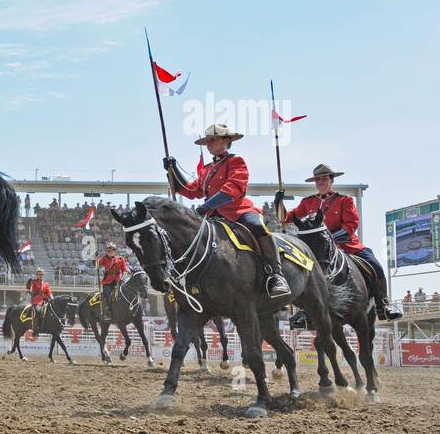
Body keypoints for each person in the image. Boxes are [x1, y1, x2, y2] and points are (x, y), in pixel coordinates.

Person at [165, 123, 291, 298]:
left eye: (213, 140)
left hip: (238, 211)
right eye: (207, 141)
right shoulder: (206, 170)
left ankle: (276, 275)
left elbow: (234, 187)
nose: (208, 144)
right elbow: (192, 191)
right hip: (212, 217)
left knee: (258, 227)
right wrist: (173, 169)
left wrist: (207, 205)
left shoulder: (235, 161)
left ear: (226, 140)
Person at [280, 163, 402, 320]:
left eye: (324, 178)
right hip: (317, 250)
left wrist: (331, 240)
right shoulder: (308, 202)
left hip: (346, 244)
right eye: (317, 179)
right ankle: (305, 311)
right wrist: (279, 202)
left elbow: (351, 225)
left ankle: (383, 305)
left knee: (375, 265)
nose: (320, 182)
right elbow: (286, 218)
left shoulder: (345, 200)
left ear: (331, 180)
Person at [95, 243, 128, 321]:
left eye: (112, 250)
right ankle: (107, 310)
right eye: (109, 251)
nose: (111, 252)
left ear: (115, 251)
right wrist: (96, 258)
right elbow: (97, 266)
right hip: (108, 281)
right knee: (108, 295)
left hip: (118, 280)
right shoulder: (104, 259)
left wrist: (123, 279)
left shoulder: (120, 259)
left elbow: (125, 270)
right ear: (107, 251)